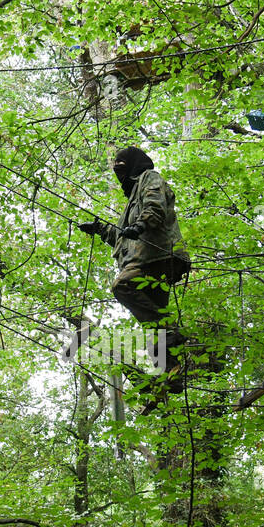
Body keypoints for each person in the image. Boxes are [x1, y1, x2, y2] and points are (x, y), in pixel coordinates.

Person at [78, 146, 191, 404]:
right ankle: (169, 373)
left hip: (158, 257)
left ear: (133, 165)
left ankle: (171, 333)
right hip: (145, 260)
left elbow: (155, 206)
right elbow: (123, 240)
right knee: (154, 326)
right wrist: (99, 229)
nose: (119, 174)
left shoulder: (149, 178)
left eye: (121, 167)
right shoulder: (129, 207)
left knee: (122, 286)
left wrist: (141, 224)